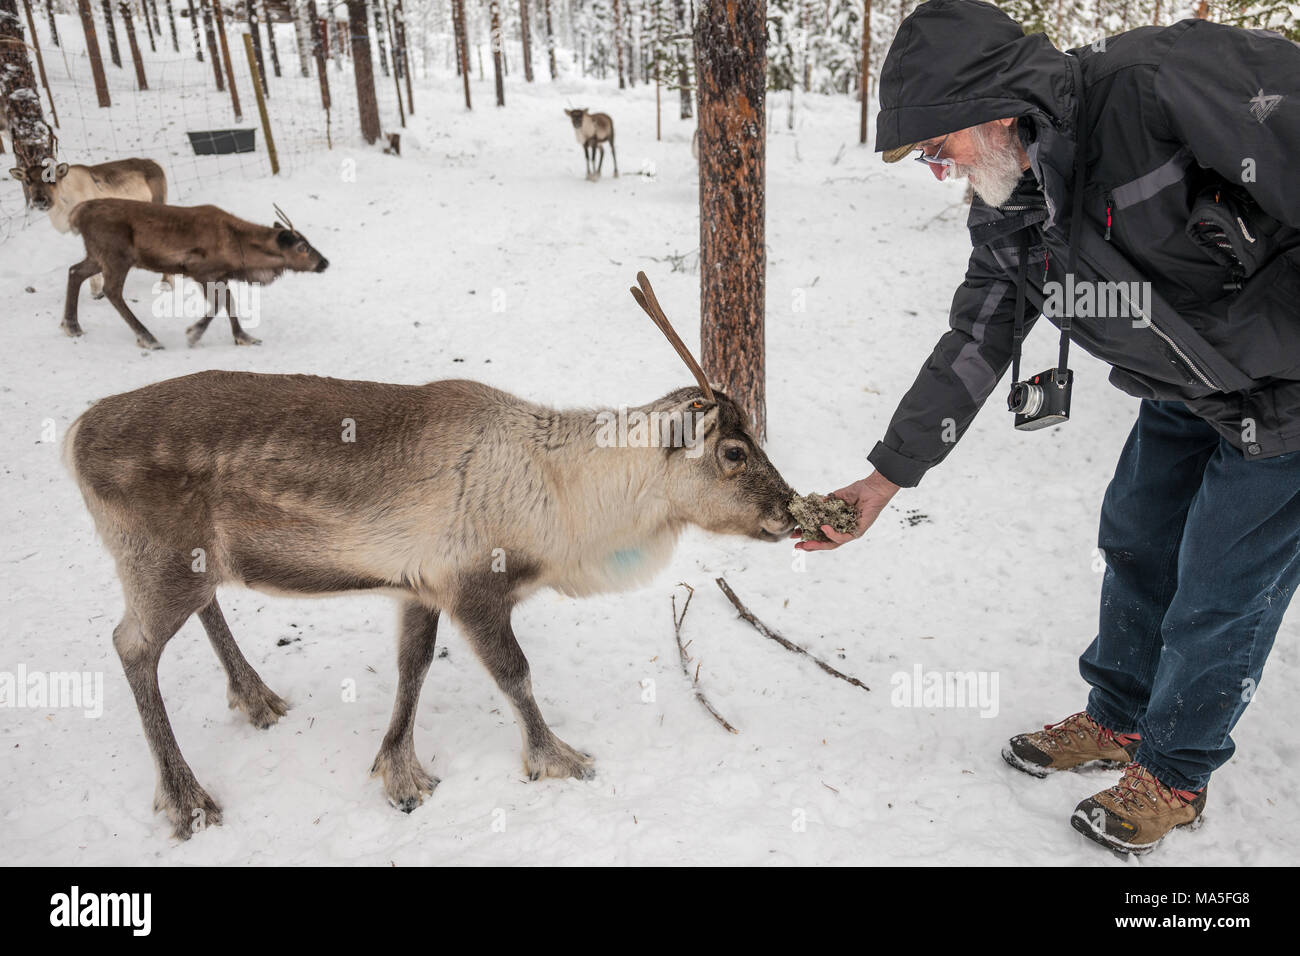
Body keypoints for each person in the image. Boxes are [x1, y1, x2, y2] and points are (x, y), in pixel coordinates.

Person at [800, 0, 1300, 854]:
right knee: (1137, 537)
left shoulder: (1156, 86)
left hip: (1286, 394)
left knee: (1221, 585)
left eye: (935, 148)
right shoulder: (1011, 203)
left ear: (989, 106)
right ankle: (1120, 718)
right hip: (1188, 387)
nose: (935, 169)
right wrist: (885, 479)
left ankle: (1176, 772)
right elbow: (977, 337)